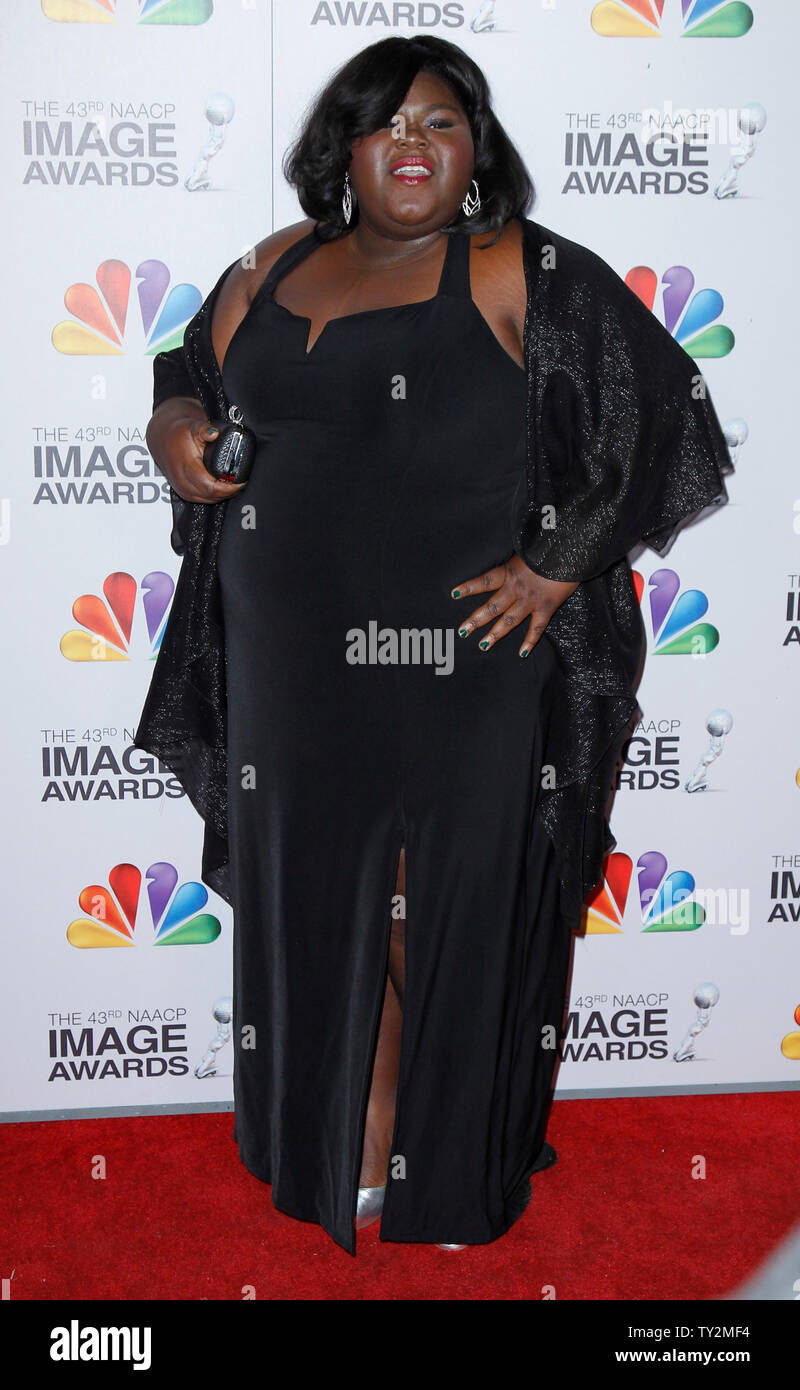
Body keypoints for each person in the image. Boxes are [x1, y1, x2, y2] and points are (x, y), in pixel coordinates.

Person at [136, 35, 731, 1256]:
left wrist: (556, 565)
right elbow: (183, 376)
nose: (411, 144)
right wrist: (176, 425)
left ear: (472, 155)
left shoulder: (515, 267)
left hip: (454, 660)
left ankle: (440, 1163)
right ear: (342, 150)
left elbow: (657, 409)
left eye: (439, 123)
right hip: (288, 663)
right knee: (311, 900)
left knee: (432, 908)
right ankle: (345, 1130)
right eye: (385, 124)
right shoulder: (270, 264)